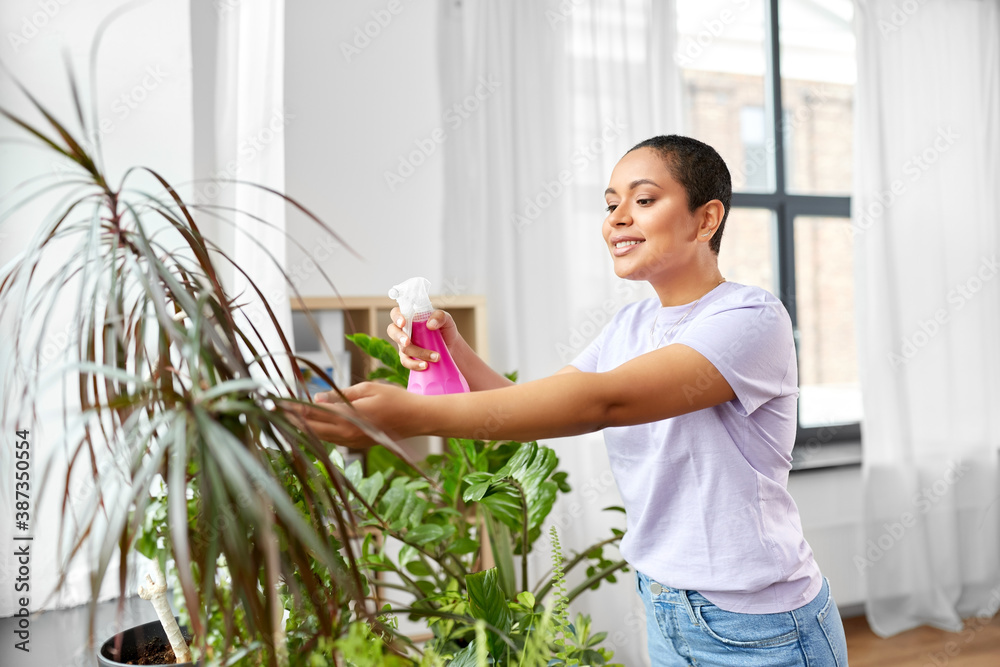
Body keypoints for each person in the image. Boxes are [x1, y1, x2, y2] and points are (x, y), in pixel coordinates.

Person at [299, 135, 850, 666]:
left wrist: (412, 415)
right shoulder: (629, 324)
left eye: (643, 199)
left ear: (707, 219)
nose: (617, 218)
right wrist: (450, 341)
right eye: (611, 204)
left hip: (758, 623)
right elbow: (528, 406)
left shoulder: (750, 319)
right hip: (666, 605)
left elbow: (600, 403)